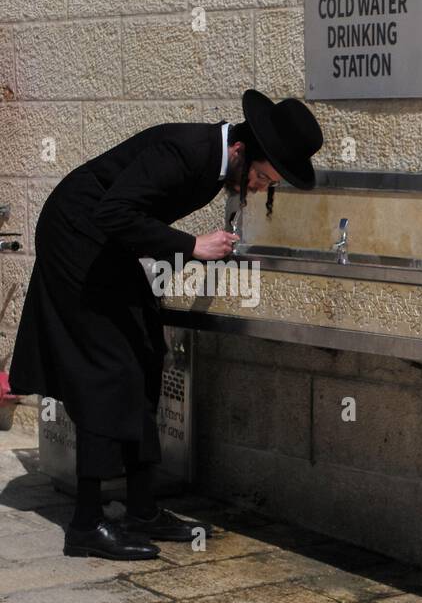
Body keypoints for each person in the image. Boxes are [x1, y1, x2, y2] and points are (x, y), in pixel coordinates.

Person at [8, 89, 323, 560]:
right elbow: (112, 211)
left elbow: (133, 217)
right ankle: (86, 524)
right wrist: (192, 245)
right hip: (75, 238)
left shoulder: (216, 165)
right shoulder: (184, 152)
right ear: (240, 150)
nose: (259, 187)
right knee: (108, 370)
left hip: (108, 245)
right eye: (261, 176)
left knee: (145, 354)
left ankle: (141, 509)